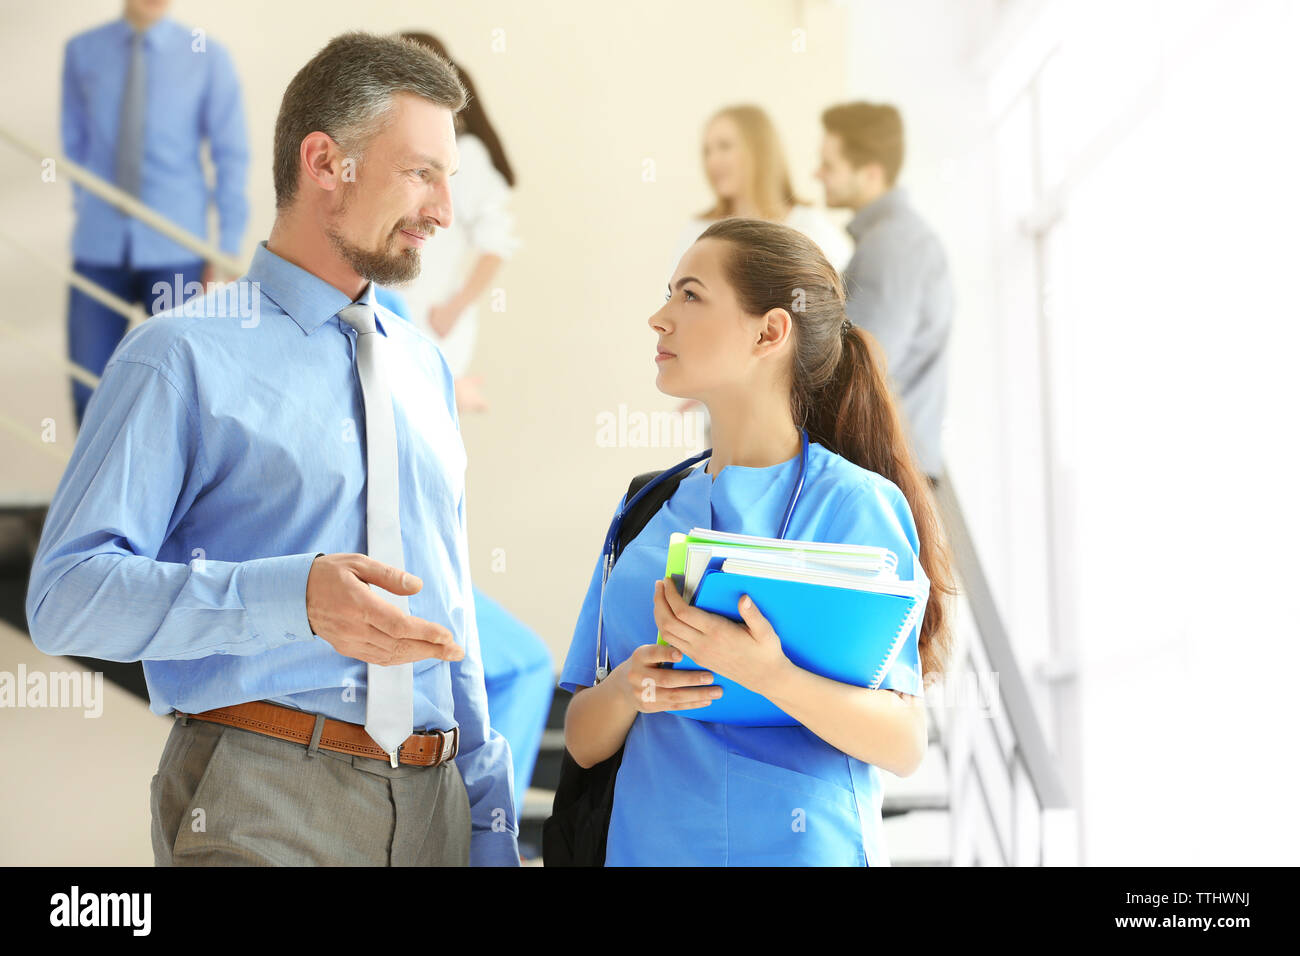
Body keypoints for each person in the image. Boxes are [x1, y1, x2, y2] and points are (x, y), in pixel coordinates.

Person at [26, 32, 519, 867]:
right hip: (265, 799)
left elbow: (451, 618)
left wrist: (488, 824)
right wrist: (293, 597)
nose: (442, 211)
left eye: (449, 179)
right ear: (326, 162)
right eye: (420, 173)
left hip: (437, 807)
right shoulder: (178, 355)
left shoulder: (425, 369)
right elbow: (66, 598)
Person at [559, 217, 956, 866]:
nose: (660, 318)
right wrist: (631, 688)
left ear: (771, 330)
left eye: (689, 295)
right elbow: (580, 739)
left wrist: (767, 675)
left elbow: (904, 742)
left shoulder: (854, 504)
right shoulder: (647, 506)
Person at [60, 0, 249, 428]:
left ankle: (171, 495)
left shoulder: (208, 57)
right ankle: (97, 495)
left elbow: (230, 157)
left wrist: (227, 249)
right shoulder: (82, 51)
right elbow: (74, 144)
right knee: (88, 387)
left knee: (181, 391)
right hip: (97, 246)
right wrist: (85, 205)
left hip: (177, 248)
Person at [817, 102, 954, 480]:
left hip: (888, 473)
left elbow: (857, 363)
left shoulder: (891, 245)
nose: (817, 174)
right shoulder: (893, 240)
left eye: (829, 166)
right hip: (891, 471)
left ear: (871, 174)